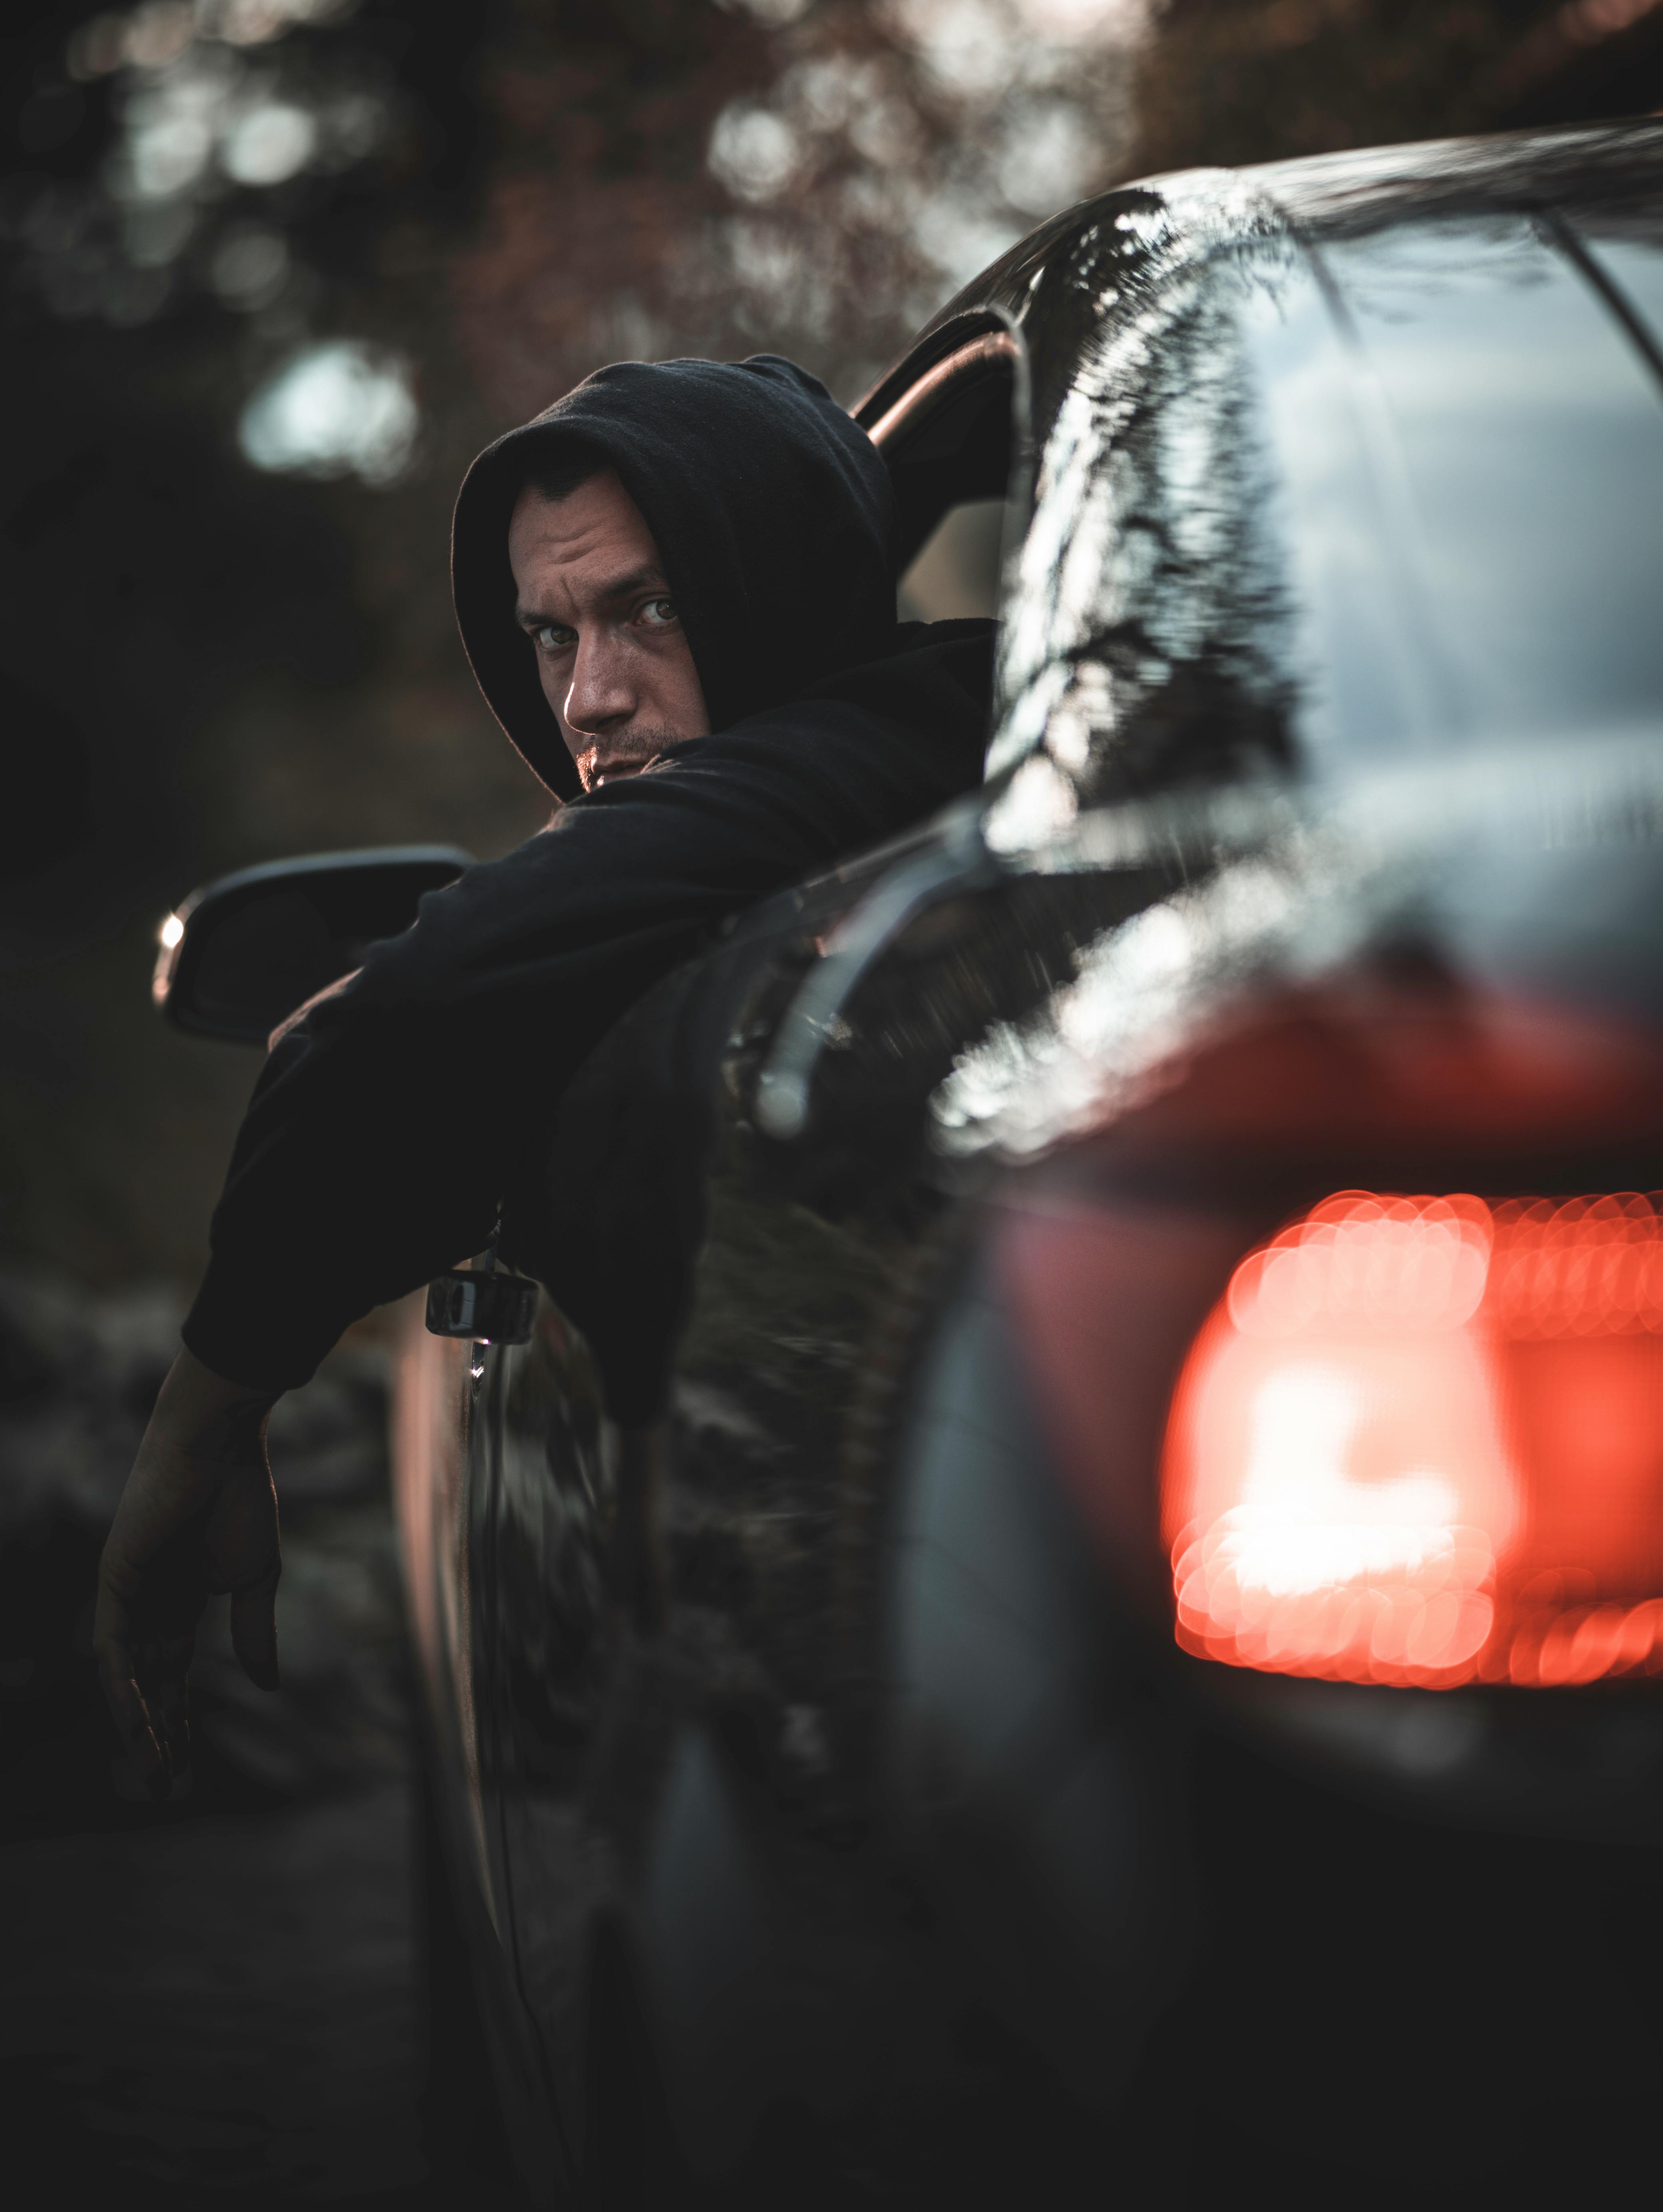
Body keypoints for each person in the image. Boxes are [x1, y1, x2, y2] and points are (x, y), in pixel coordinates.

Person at [95, 354, 993, 1798]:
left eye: (649, 609)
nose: (588, 699)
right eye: (548, 635)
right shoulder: (814, 809)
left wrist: (198, 1436)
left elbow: (393, 1024)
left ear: (789, 581)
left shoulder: (902, 733)